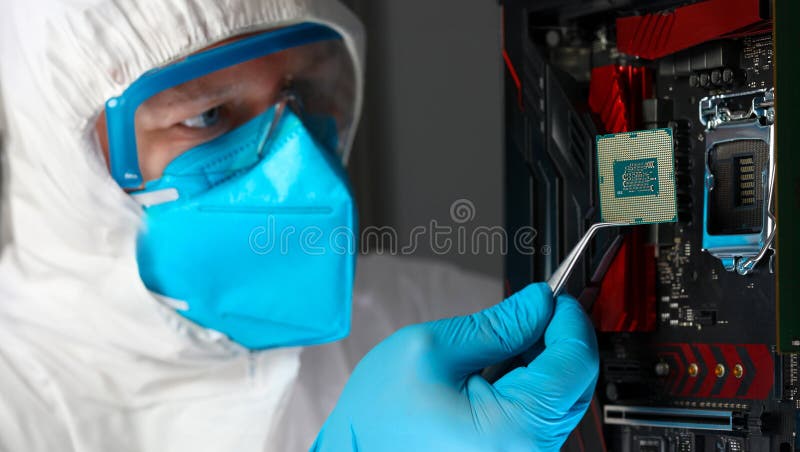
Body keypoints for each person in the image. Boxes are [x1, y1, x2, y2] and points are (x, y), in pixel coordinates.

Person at [0, 0, 599, 450]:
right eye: (208, 115)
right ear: (65, 161)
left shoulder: (419, 314)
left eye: (307, 90)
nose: (302, 164)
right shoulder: (19, 408)